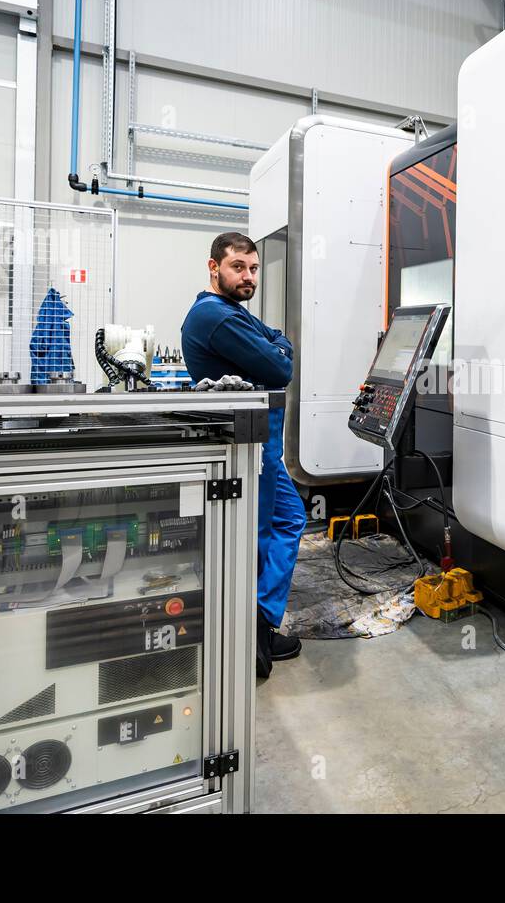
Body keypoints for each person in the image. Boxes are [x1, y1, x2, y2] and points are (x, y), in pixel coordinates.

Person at [181, 231, 306, 678]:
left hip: (265, 447)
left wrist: (277, 346)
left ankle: (261, 620)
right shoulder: (215, 316)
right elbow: (282, 366)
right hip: (246, 447)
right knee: (253, 540)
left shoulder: (234, 313)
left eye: (253, 268)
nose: (248, 276)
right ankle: (246, 642)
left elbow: (280, 341)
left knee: (290, 520)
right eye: (238, 267)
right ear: (214, 267)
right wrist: (277, 351)